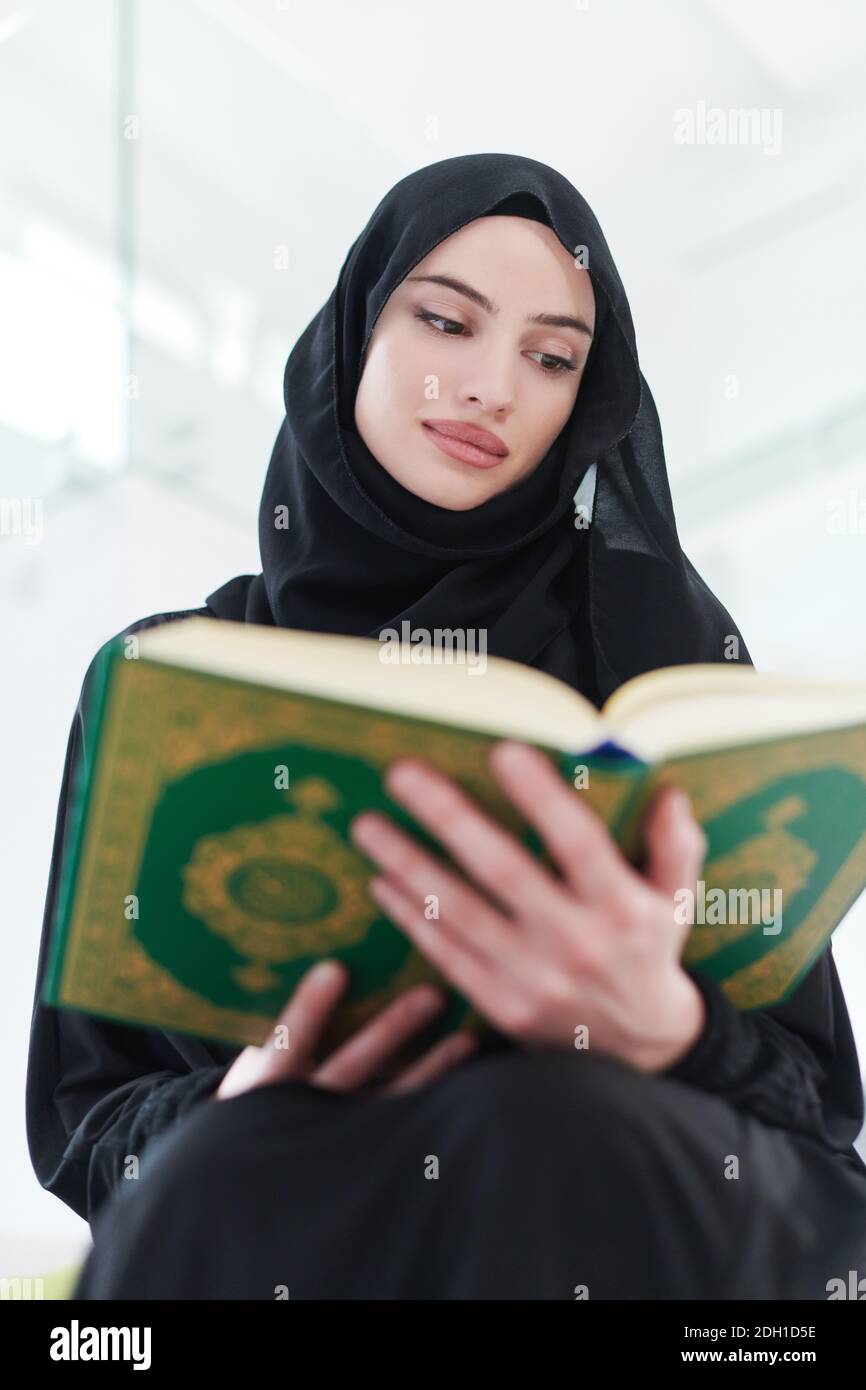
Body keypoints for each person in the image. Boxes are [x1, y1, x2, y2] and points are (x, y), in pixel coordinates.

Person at [26, 153, 866, 1300]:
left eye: (550, 357)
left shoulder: (661, 661)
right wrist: (241, 1093)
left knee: (545, 1119)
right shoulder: (172, 676)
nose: (490, 388)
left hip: (603, 1192)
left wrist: (671, 1027)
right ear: (354, 333)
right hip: (284, 1199)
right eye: (444, 321)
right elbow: (88, 1119)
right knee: (214, 1176)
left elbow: (814, 1119)